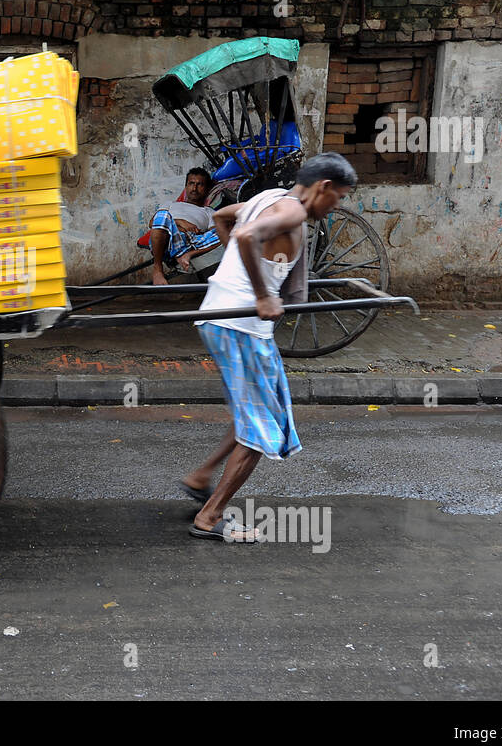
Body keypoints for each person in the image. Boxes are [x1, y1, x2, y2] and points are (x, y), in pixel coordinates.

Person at [180, 153, 356, 542]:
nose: (337, 206)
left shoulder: (266, 198)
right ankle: (210, 517)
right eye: (339, 197)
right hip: (241, 324)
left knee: (264, 410)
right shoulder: (291, 212)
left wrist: (238, 274)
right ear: (323, 187)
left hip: (223, 317)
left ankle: (201, 475)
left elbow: (224, 218)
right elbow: (243, 235)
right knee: (263, 429)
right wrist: (262, 294)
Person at [149, 167, 219, 286]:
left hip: (190, 242)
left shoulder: (208, 211)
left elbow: (215, 234)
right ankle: (158, 268)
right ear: (186, 186)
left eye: (199, 184)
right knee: (163, 215)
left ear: (206, 189)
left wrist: (189, 235)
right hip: (166, 239)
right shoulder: (170, 204)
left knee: (225, 228)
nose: (194, 188)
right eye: (191, 183)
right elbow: (153, 223)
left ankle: (187, 255)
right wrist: (181, 222)